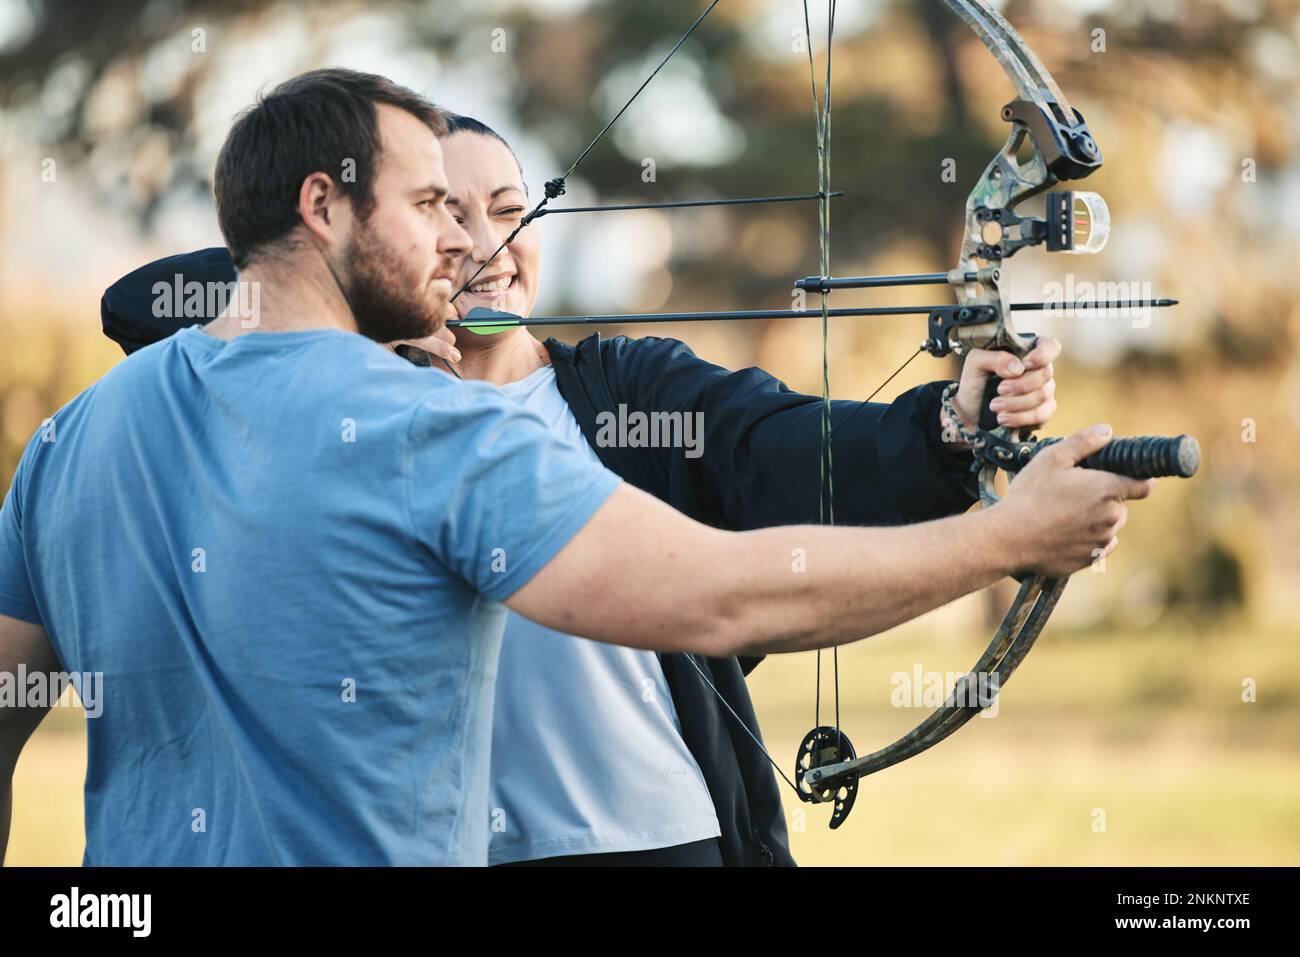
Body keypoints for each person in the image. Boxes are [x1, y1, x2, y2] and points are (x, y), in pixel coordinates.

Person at [74, 86, 1148, 867]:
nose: (482, 245)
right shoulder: (348, 410)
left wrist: (955, 420)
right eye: (442, 211)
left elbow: (799, 455)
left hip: (645, 840)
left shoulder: (626, 391)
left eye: (507, 210)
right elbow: (147, 301)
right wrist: (363, 332)